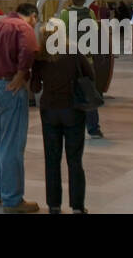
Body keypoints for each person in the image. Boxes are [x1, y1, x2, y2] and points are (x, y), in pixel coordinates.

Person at [0, 0, 38, 213]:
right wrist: (22, 74)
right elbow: (30, 50)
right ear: (32, 16)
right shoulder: (23, 27)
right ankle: (13, 199)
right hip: (9, 88)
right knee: (12, 144)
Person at [31, 23, 94, 214]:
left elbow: (35, 88)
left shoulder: (40, 58)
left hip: (49, 111)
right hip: (72, 110)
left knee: (52, 159)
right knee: (75, 160)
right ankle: (77, 206)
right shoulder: (73, 54)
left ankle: (54, 205)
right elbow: (90, 75)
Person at [57, 0, 104, 139]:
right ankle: (94, 128)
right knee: (88, 92)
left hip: (70, 59)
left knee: (69, 94)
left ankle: (71, 126)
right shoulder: (90, 13)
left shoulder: (64, 14)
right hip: (87, 59)